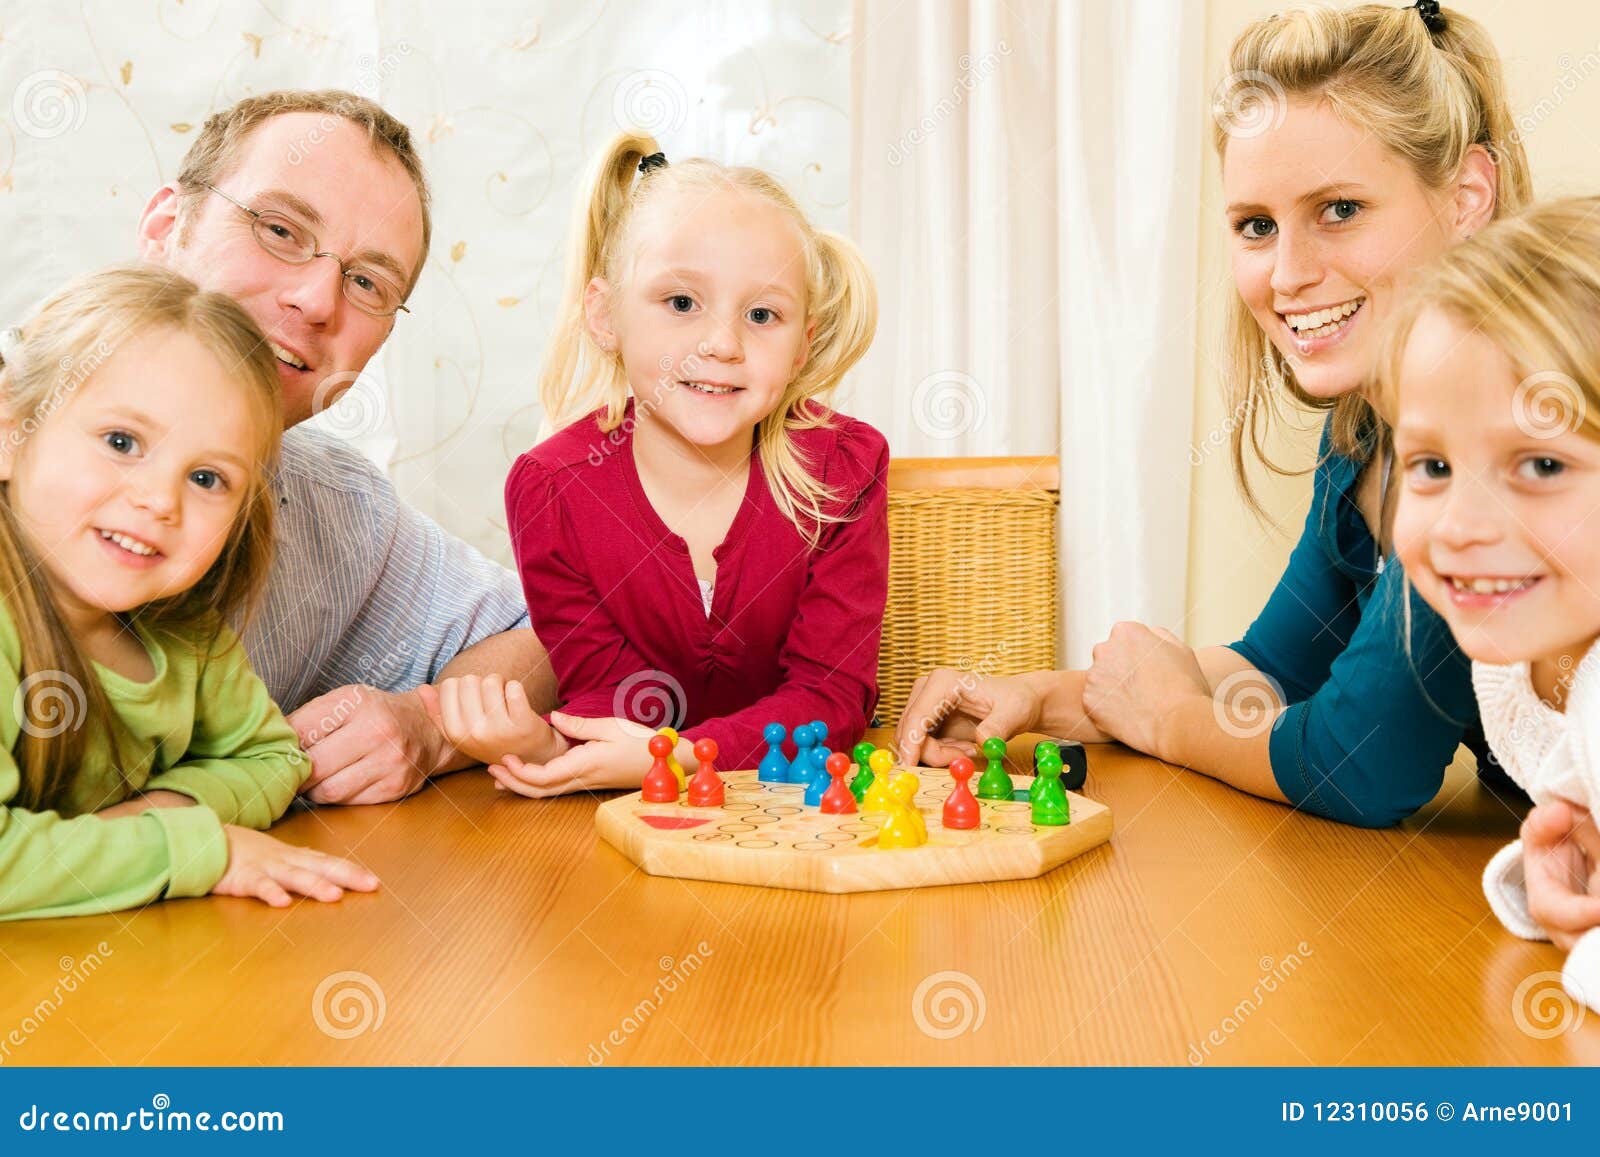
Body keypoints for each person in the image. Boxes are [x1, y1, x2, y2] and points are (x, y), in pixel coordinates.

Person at [897, 2, 1528, 827]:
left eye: (1339, 209)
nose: (1288, 273)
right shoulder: (1364, 435)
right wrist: (1040, 698)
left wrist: (1171, 719)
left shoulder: (1502, 434)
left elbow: (1362, 763)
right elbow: (1274, 668)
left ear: (1467, 196)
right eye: (1256, 226)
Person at [423, 134, 888, 795]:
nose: (722, 343)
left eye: (762, 314)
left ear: (802, 344)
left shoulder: (845, 467)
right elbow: (604, 694)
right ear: (605, 315)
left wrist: (679, 755)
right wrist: (549, 742)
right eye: (681, 303)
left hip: (806, 818)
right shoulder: (551, 490)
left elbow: (830, 698)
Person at [135, 90, 557, 804]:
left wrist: (428, 726)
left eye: (366, 281)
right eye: (279, 229)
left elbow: (549, 634)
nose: (317, 300)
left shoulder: (340, 506)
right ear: (167, 226)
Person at [0, 266, 376, 919]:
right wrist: (201, 847)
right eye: (122, 442)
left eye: (206, 477)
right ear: (11, 433)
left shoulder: (185, 632)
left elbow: (272, 755)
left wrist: (153, 815)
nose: (158, 500)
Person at [1384, 196, 1600, 1011]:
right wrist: (1559, 872)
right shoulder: (1514, 660)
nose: (1463, 527)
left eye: (1540, 467)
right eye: (1431, 465)